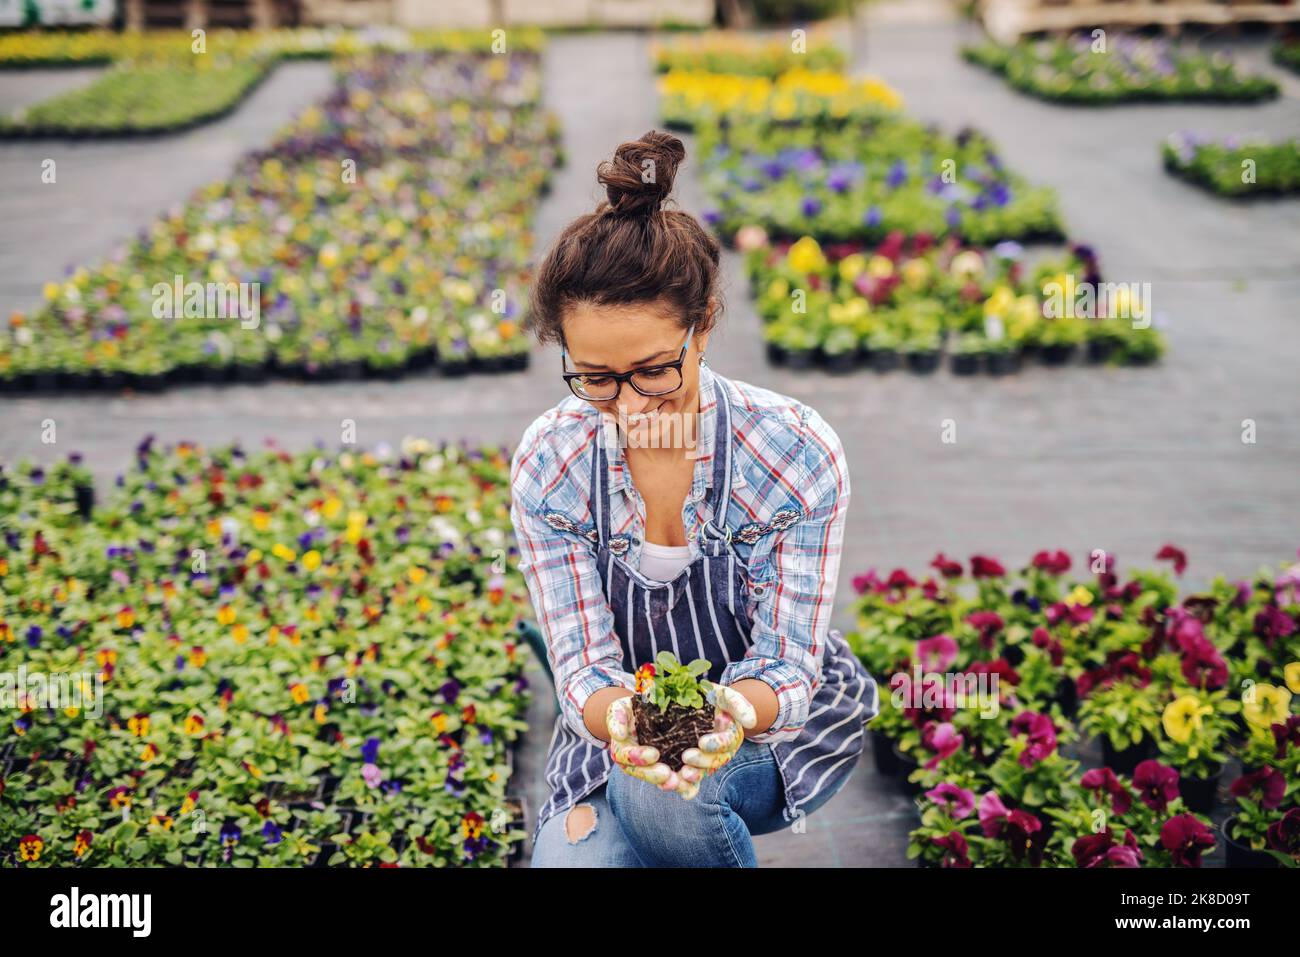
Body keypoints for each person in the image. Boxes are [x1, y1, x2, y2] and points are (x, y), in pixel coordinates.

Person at [510, 130, 878, 867]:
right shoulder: (552, 460)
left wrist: (727, 711)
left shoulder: (794, 451)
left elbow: (788, 662)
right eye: (595, 377)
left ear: (703, 324)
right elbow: (582, 663)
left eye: (652, 370)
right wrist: (632, 725)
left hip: (771, 732)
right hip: (609, 733)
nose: (625, 403)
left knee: (667, 793)